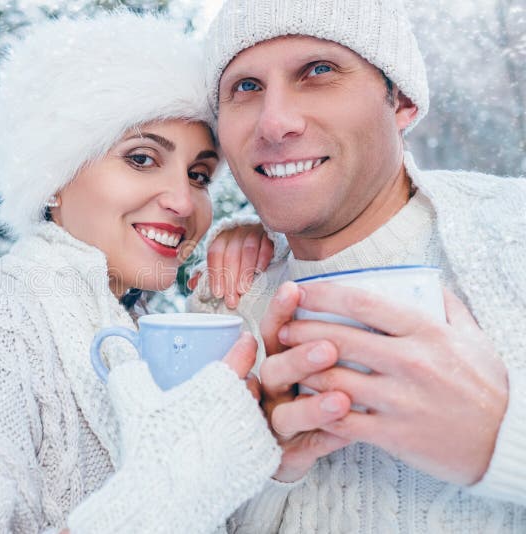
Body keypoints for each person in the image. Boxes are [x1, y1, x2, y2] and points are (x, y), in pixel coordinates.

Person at [0, 12, 284, 534]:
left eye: (199, 175)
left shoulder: (139, 329)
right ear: (53, 177)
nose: (184, 201)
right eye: (141, 158)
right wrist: (157, 501)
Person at [190, 0, 526, 531]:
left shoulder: (513, 233)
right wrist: (270, 465)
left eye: (319, 71)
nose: (275, 123)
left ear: (403, 101)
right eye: (246, 88)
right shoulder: (224, 304)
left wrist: (503, 441)